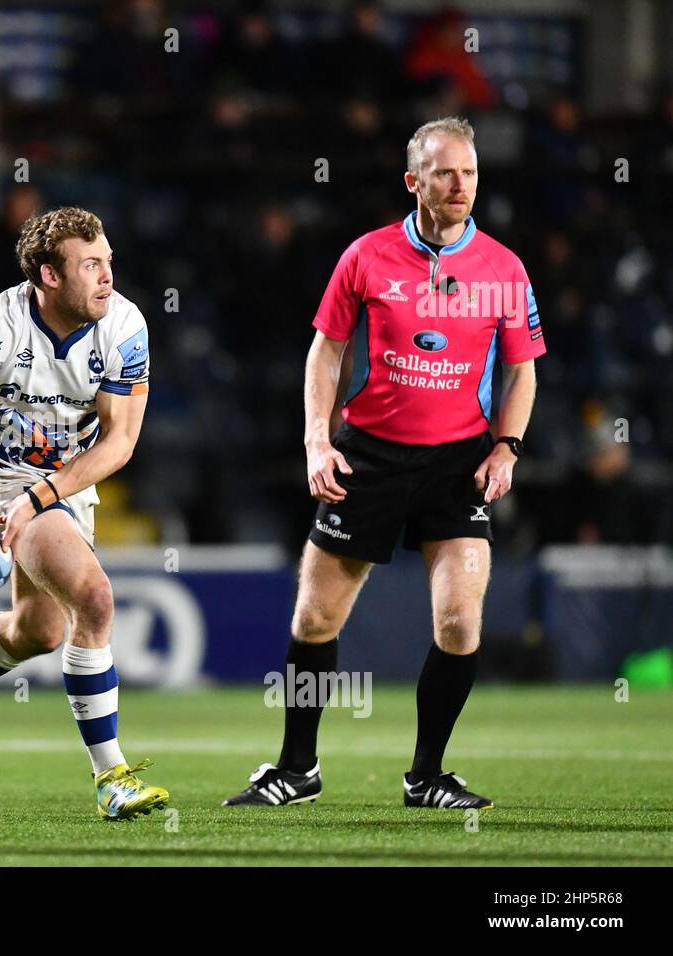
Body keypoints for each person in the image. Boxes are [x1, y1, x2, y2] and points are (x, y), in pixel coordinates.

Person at [224, 117, 545, 810]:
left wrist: (506, 447)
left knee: (460, 623)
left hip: (459, 462)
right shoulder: (366, 257)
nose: (460, 186)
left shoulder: (504, 269)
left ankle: (427, 775)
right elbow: (327, 350)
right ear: (414, 181)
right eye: (444, 173)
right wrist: (317, 438)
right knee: (314, 620)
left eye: (470, 173)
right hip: (368, 457)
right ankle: (296, 769)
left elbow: (522, 372)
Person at [0, 206, 169, 821]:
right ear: (48, 275)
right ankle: (111, 778)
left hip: (65, 485)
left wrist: (48, 495)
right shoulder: (1, 323)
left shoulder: (124, 325)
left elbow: (120, 442)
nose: (106, 278)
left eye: (109, 263)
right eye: (90, 265)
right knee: (94, 601)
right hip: (3, 480)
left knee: (38, 632)